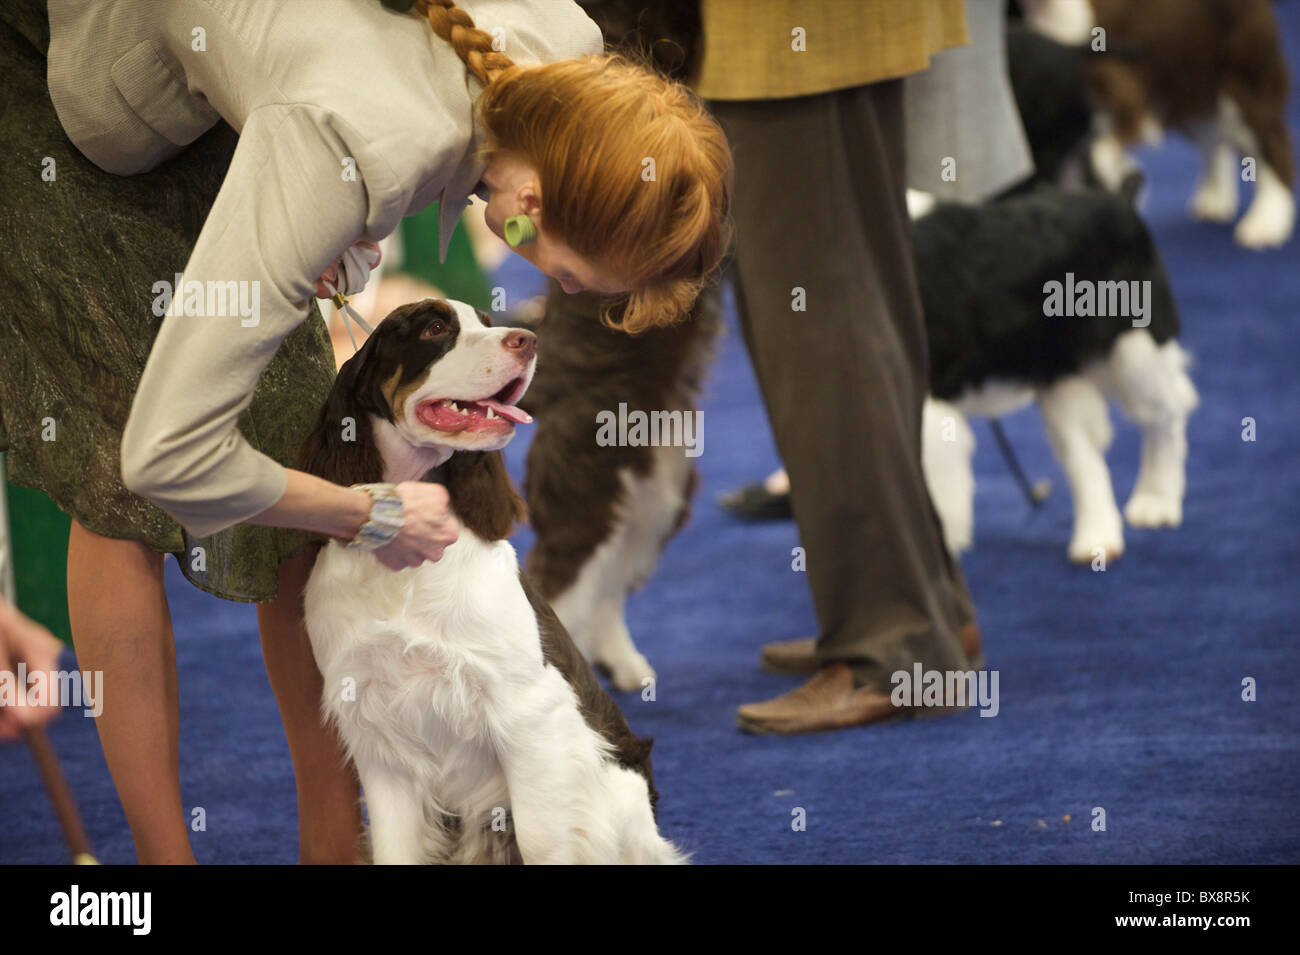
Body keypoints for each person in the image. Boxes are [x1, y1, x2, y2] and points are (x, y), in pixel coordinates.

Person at [0, 0, 729, 862]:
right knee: (116, 474)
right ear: (529, 205)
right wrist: (364, 513)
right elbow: (164, 455)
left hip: (283, 106)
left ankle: (335, 849)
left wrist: (346, 223)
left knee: (295, 419)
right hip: (84, 79)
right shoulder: (344, 146)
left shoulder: (564, 47)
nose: (561, 294)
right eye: (567, 274)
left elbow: (355, 94)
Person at [695, 0, 982, 733]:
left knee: (823, 328)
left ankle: (894, 643)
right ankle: (928, 609)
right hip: (813, 33)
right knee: (852, 303)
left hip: (786, 34)